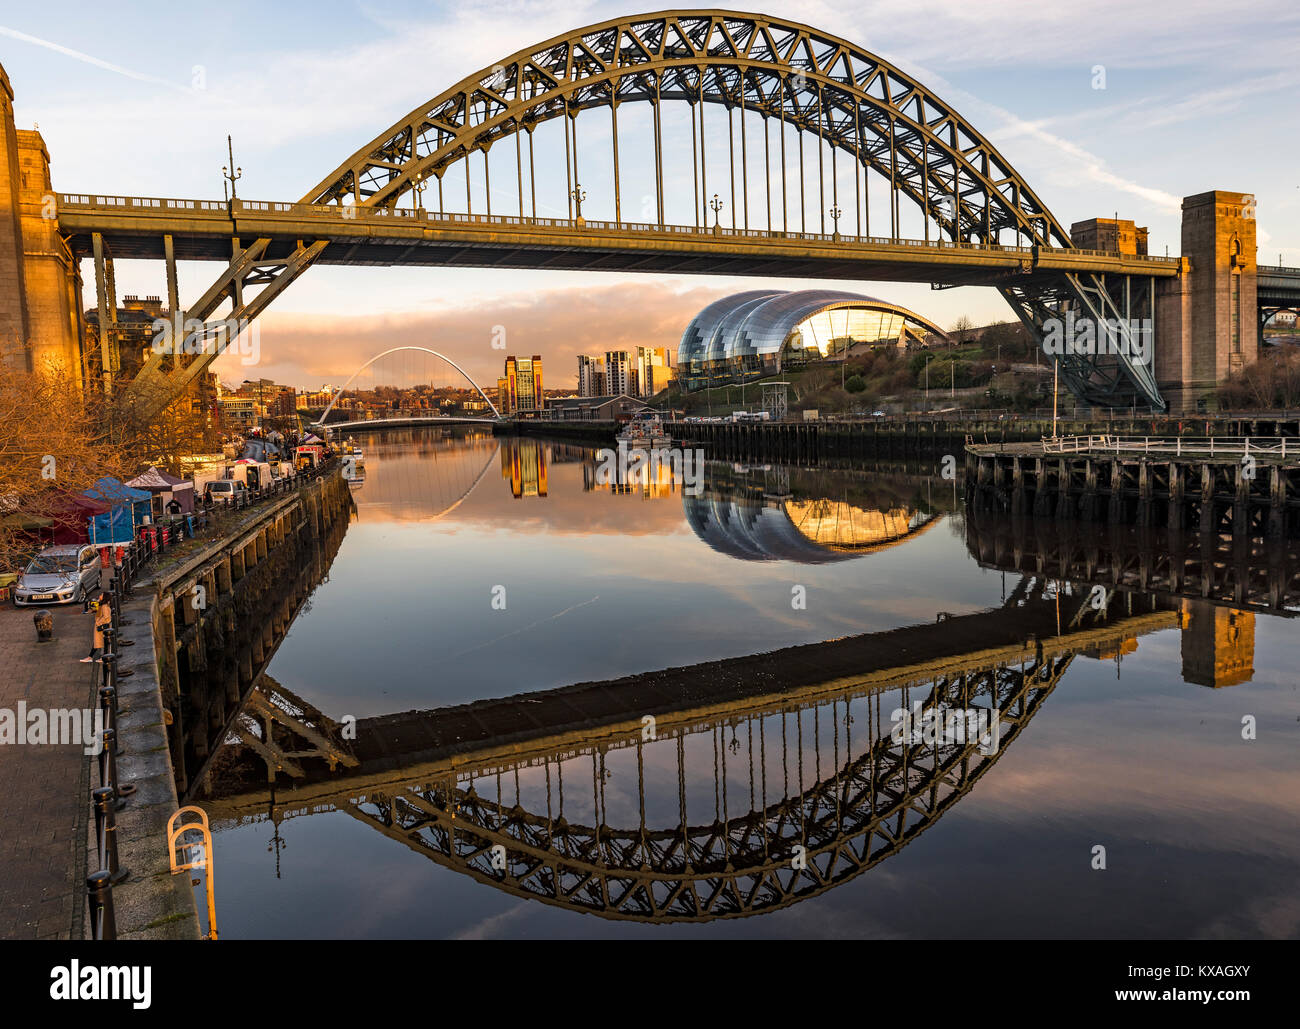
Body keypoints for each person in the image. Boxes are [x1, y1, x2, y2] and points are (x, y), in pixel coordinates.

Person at [79, 593, 113, 664]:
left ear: (104, 597)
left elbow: (106, 617)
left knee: (100, 642)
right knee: (98, 642)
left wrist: (98, 622)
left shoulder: (104, 606)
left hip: (101, 627)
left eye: (101, 595)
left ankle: (94, 657)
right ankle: (92, 657)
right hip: (101, 626)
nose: (99, 596)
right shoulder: (103, 604)